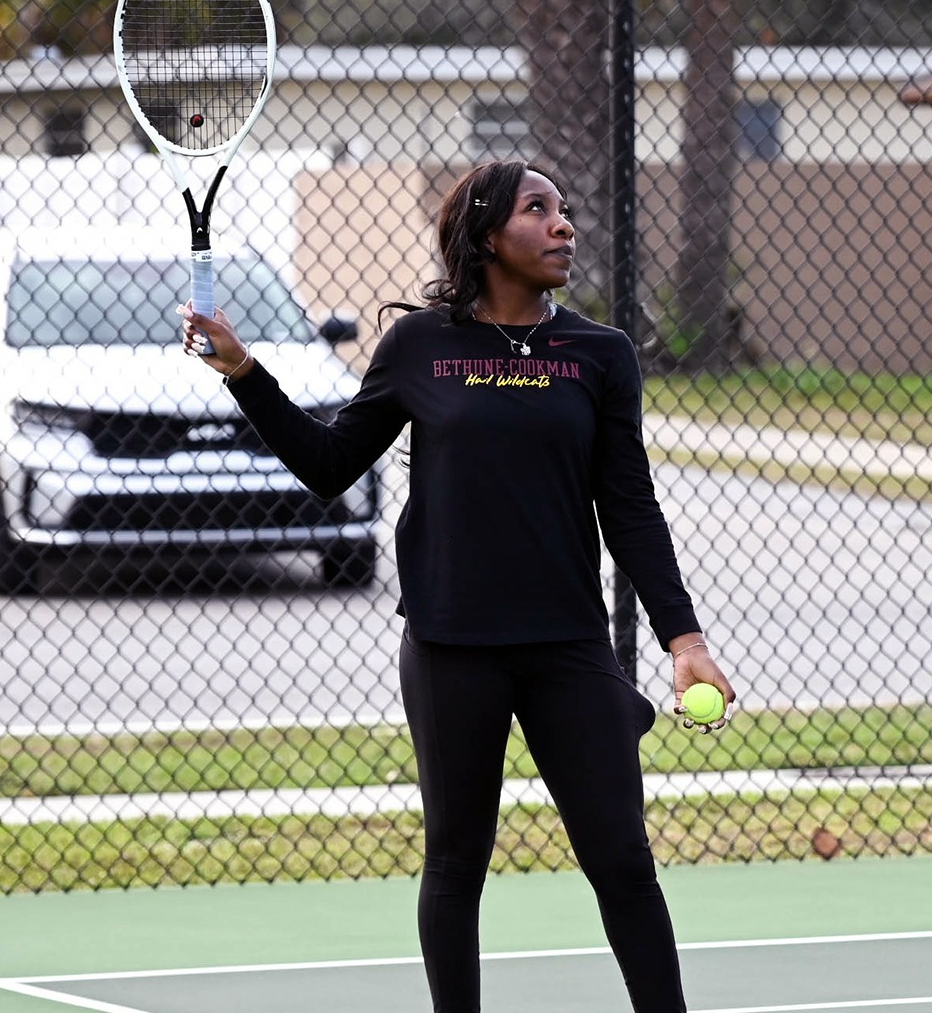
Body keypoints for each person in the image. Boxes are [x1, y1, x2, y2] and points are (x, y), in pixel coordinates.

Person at [179, 158, 736, 1013]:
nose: (564, 227)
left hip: (569, 645)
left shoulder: (600, 354)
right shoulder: (420, 349)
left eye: (566, 211)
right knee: (456, 862)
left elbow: (629, 507)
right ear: (484, 235)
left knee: (622, 859)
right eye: (538, 210)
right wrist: (244, 371)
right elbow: (329, 465)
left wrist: (684, 639)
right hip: (450, 645)